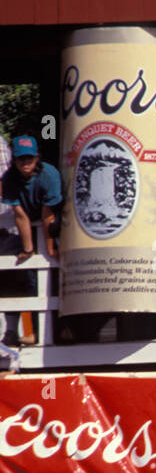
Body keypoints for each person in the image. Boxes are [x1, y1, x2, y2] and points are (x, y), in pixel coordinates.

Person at [1, 135, 59, 346]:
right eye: (21, 159)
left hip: (52, 224)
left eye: (29, 158)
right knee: (23, 275)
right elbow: (20, 215)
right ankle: (19, 333)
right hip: (27, 226)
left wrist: (50, 247)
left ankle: (52, 333)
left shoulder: (49, 175)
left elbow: (48, 215)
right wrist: (28, 248)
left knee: (48, 278)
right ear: (14, 161)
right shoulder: (9, 178)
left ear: (37, 157)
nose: (25, 163)